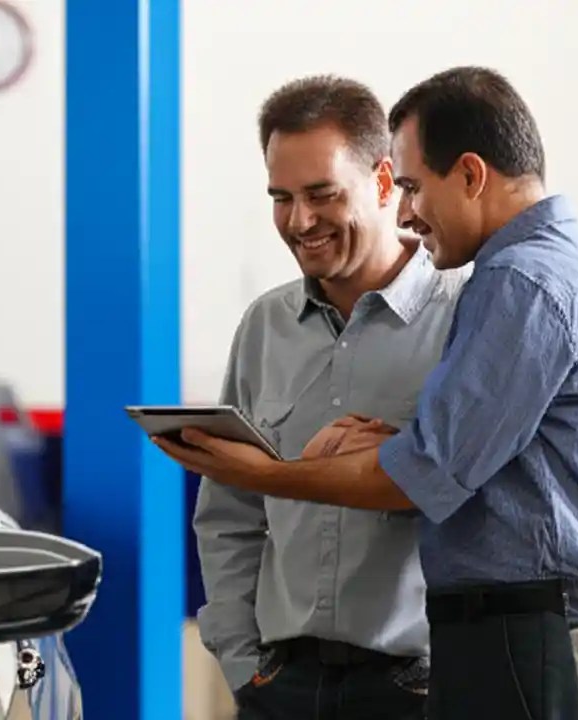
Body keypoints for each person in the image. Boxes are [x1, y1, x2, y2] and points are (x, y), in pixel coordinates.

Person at [158, 66, 578, 720]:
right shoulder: (542, 271)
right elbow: (480, 460)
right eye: (281, 197)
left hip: (520, 639)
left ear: (470, 175)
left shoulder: (517, 286)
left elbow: (426, 476)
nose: (409, 213)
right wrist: (241, 656)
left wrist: (276, 473)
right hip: (477, 642)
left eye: (415, 187)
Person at [192, 74, 468, 720]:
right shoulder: (264, 327)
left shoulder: (463, 318)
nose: (299, 221)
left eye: (321, 194)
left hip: (418, 690)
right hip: (279, 688)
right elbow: (230, 515)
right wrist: (242, 662)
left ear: (381, 183)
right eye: (281, 198)